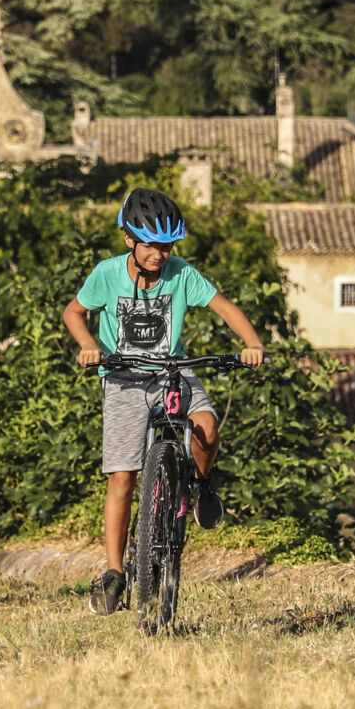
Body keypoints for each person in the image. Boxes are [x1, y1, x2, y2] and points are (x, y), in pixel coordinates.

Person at [61, 186, 265, 613]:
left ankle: (200, 485)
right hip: (123, 378)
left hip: (173, 369)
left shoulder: (181, 273)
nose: (160, 254)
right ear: (129, 240)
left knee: (206, 427)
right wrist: (88, 344)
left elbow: (225, 307)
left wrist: (252, 344)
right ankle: (114, 572)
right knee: (122, 478)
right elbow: (73, 312)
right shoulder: (107, 274)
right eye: (151, 245)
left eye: (167, 245)